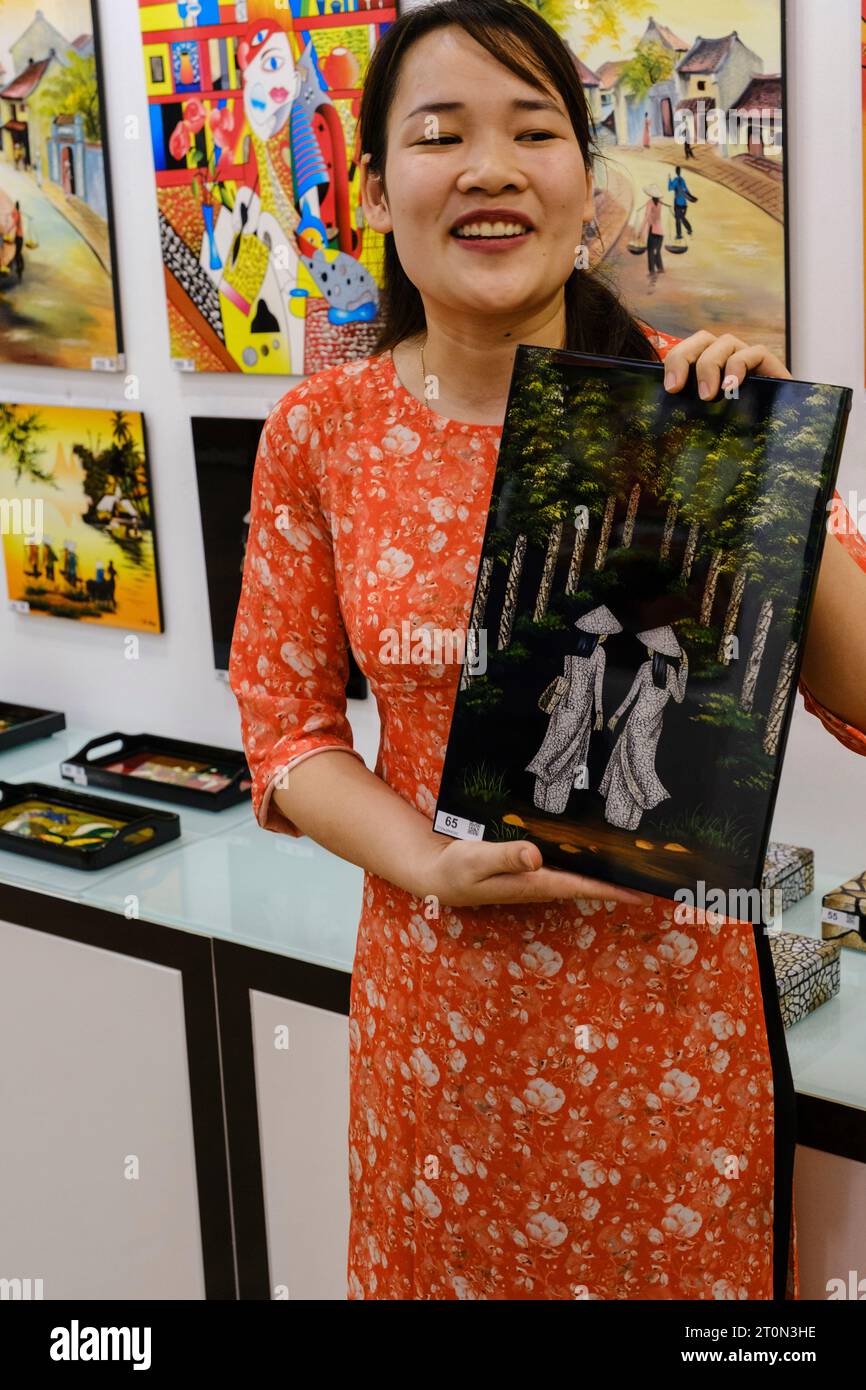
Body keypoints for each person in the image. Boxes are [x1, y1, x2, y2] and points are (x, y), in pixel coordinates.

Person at [229, 0, 866, 1302]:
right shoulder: (320, 429)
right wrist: (421, 858)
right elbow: (284, 731)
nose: (489, 167)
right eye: (438, 133)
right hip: (438, 1027)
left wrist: (771, 483)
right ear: (372, 185)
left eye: (533, 129)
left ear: (589, 177)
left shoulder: (700, 405)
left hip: (673, 1033)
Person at [526, 606, 622, 812]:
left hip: (563, 707)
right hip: (580, 710)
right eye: (605, 633)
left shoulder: (573, 650)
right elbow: (597, 686)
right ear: (600, 633)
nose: (606, 636)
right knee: (570, 754)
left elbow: (566, 680)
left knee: (552, 748)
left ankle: (539, 798)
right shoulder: (599, 653)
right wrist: (599, 713)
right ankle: (554, 805)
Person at [600, 626, 688, 829]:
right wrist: (684, 668)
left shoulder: (646, 668)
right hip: (650, 730)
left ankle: (616, 816)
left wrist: (616, 716)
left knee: (625, 767)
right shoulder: (671, 673)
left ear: (654, 650)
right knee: (640, 768)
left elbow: (631, 696)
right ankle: (630, 821)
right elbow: (679, 697)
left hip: (636, 724)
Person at [639, 183, 666, 274]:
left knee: (650, 250)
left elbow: (646, 216)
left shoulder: (650, 203)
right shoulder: (660, 203)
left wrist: (641, 230)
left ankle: (652, 271)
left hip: (653, 230)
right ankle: (660, 268)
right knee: (657, 251)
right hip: (660, 231)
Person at [668, 165, 694, 239]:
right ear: (680, 172)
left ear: (676, 172)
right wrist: (691, 197)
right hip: (684, 204)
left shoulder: (676, 180)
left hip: (678, 204)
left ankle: (679, 235)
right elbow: (686, 190)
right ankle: (689, 229)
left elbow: (670, 188)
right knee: (682, 218)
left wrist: (669, 179)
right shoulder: (682, 180)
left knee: (678, 219)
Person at [10, 201, 24, 280]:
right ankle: (20, 268)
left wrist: (7, 230)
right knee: (18, 253)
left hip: (18, 237)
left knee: (16, 254)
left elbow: (13, 223)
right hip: (20, 237)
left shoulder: (17, 214)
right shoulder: (18, 213)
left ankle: (19, 269)